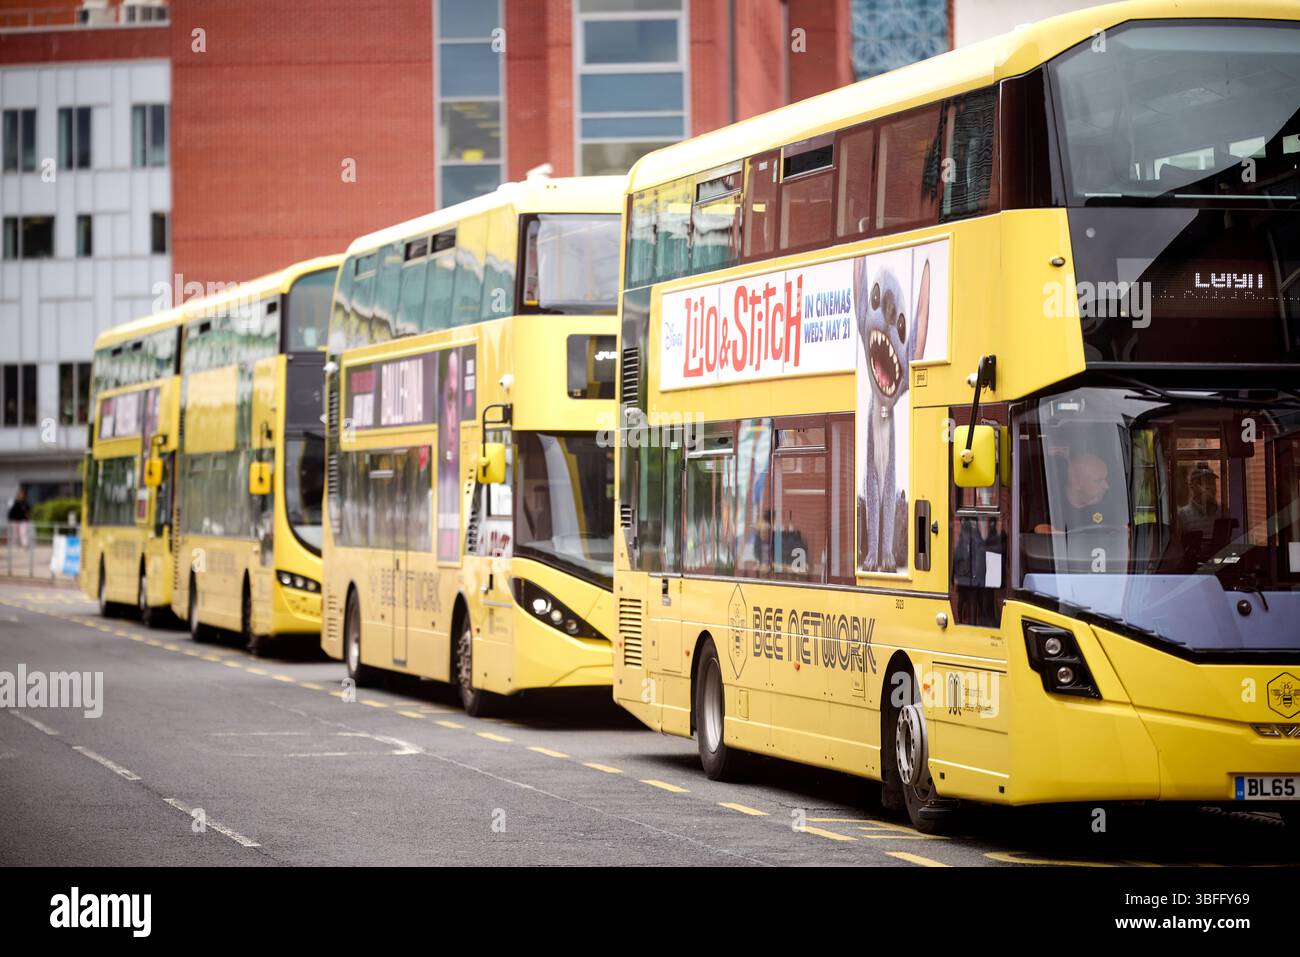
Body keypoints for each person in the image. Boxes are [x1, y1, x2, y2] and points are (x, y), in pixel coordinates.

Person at [1177, 464, 1220, 539]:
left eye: (1212, 483)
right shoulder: (1183, 515)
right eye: (1203, 483)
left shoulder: (1222, 512)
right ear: (1192, 486)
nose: (1209, 487)